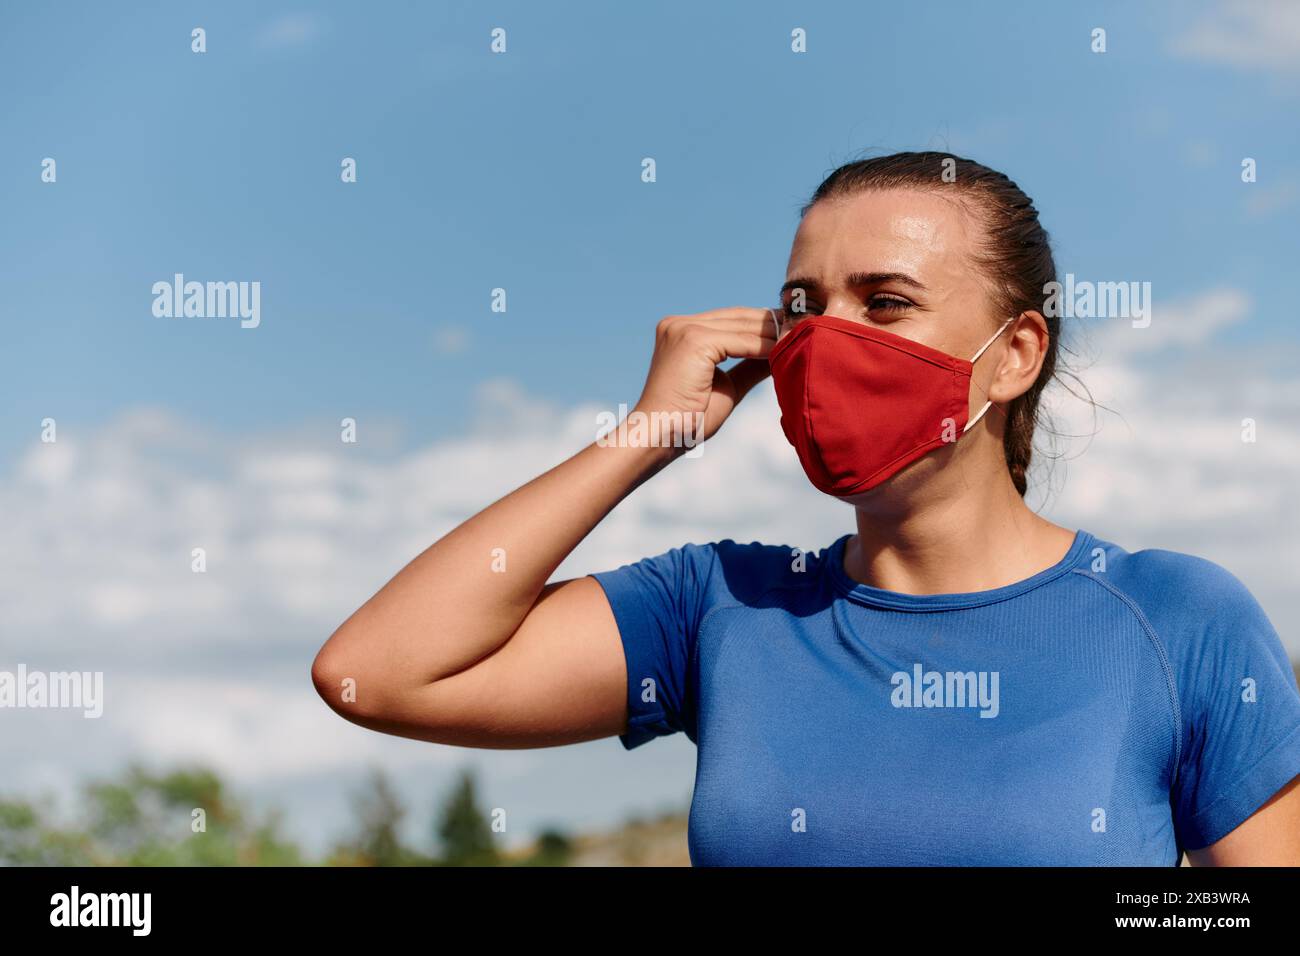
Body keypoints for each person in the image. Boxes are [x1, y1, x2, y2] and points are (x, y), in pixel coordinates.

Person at [311, 151, 1300, 866]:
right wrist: (648, 432)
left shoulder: (1176, 619)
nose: (827, 339)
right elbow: (374, 673)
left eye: (885, 301)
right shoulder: (723, 603)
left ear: (1015, 352)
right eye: (801, 304)